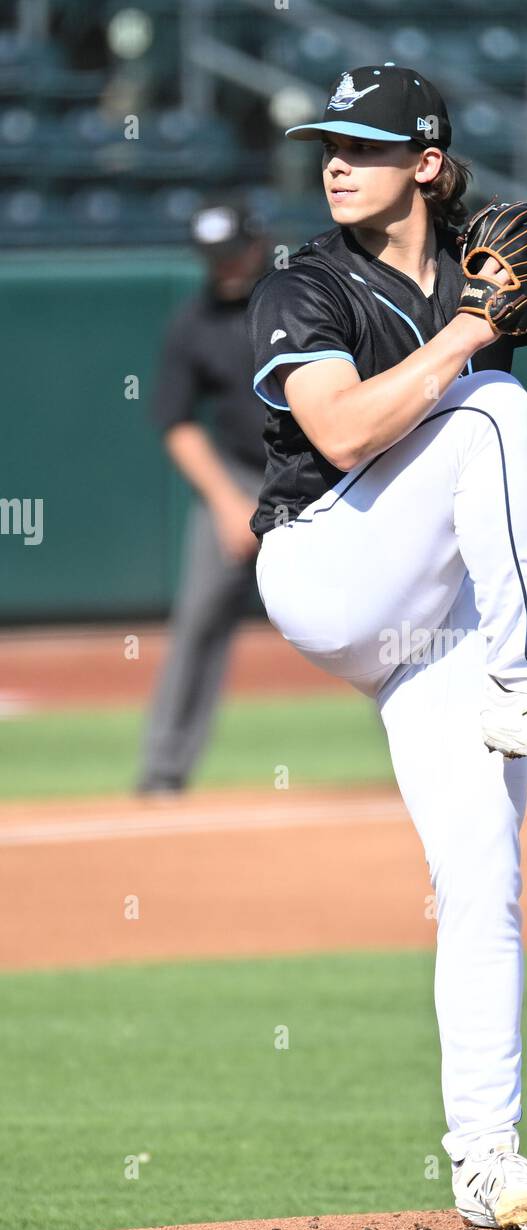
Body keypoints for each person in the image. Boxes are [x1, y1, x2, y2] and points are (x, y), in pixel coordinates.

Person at [249, 64, 527, 1230]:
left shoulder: (482, 259)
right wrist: (479, 331)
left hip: (438, 633)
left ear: (425, 166)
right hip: (329, 570)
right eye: (328, 144)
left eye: (365, 146)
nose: (335, 161)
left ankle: (487, 1159)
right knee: (494, 404)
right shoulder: (305, 283)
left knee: (482, 873)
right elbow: (335, 433)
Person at [137, 202, 269, 795]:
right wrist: (224, 501)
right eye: (216, 259)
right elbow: (176, 420)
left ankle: (427, 759)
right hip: (239, 479)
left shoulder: (302, 295)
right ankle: (163, 774)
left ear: (258, 243)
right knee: (197, 624)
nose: (229, 267)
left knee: (382, 619)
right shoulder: (194, 321)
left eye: (235, 252)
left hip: (325, 482)